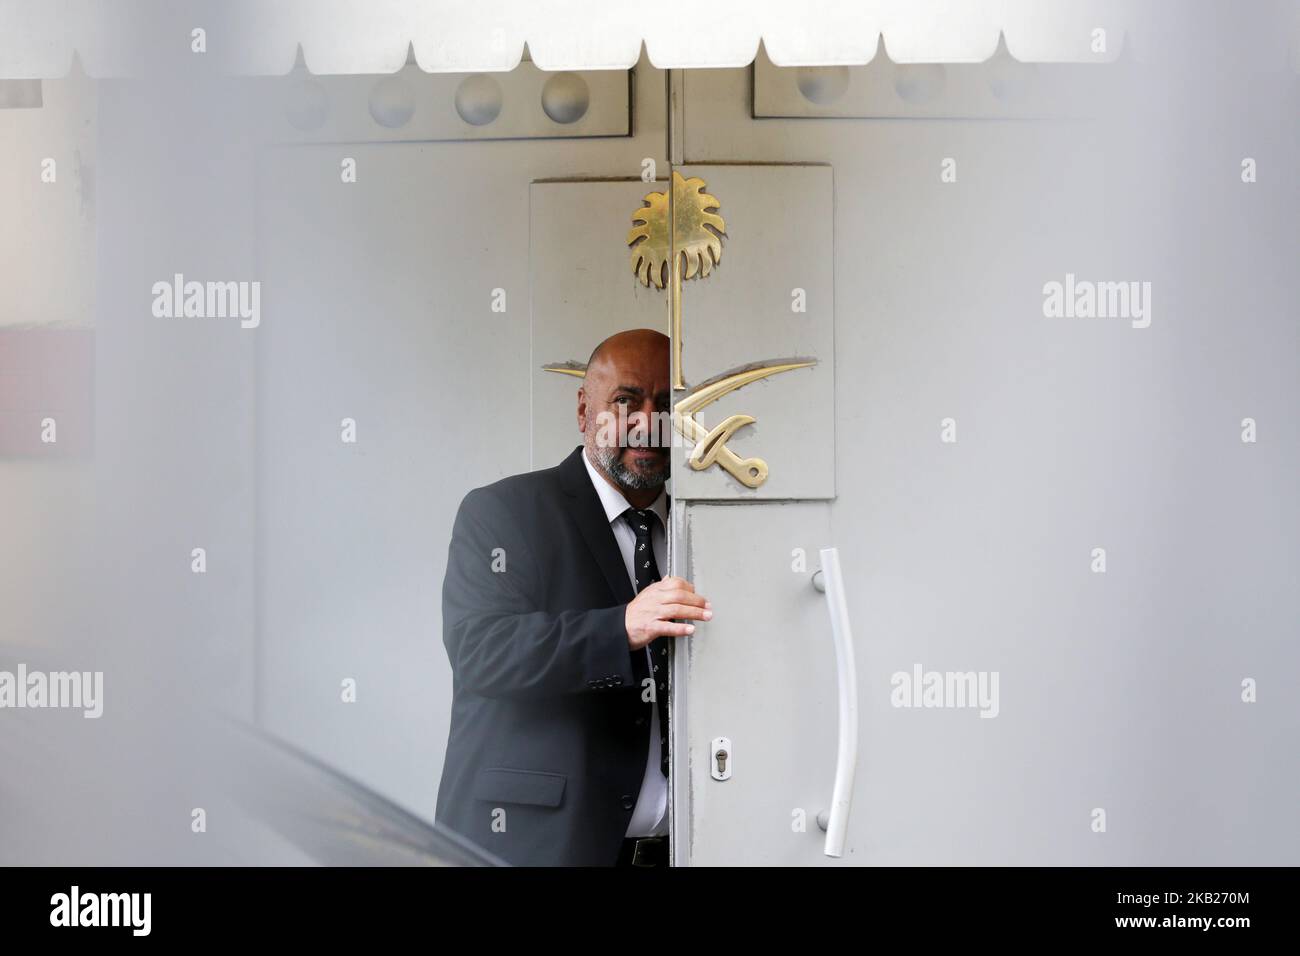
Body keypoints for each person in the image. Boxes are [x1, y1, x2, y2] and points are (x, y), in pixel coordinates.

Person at [435, 328, 712, 866]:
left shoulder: (700, 530)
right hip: (537, 849)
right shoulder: (504, 512)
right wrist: (621, 629)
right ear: (584, 411)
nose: (647, 421)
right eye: (626, 401)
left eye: (667, 403)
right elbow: (479, 651)